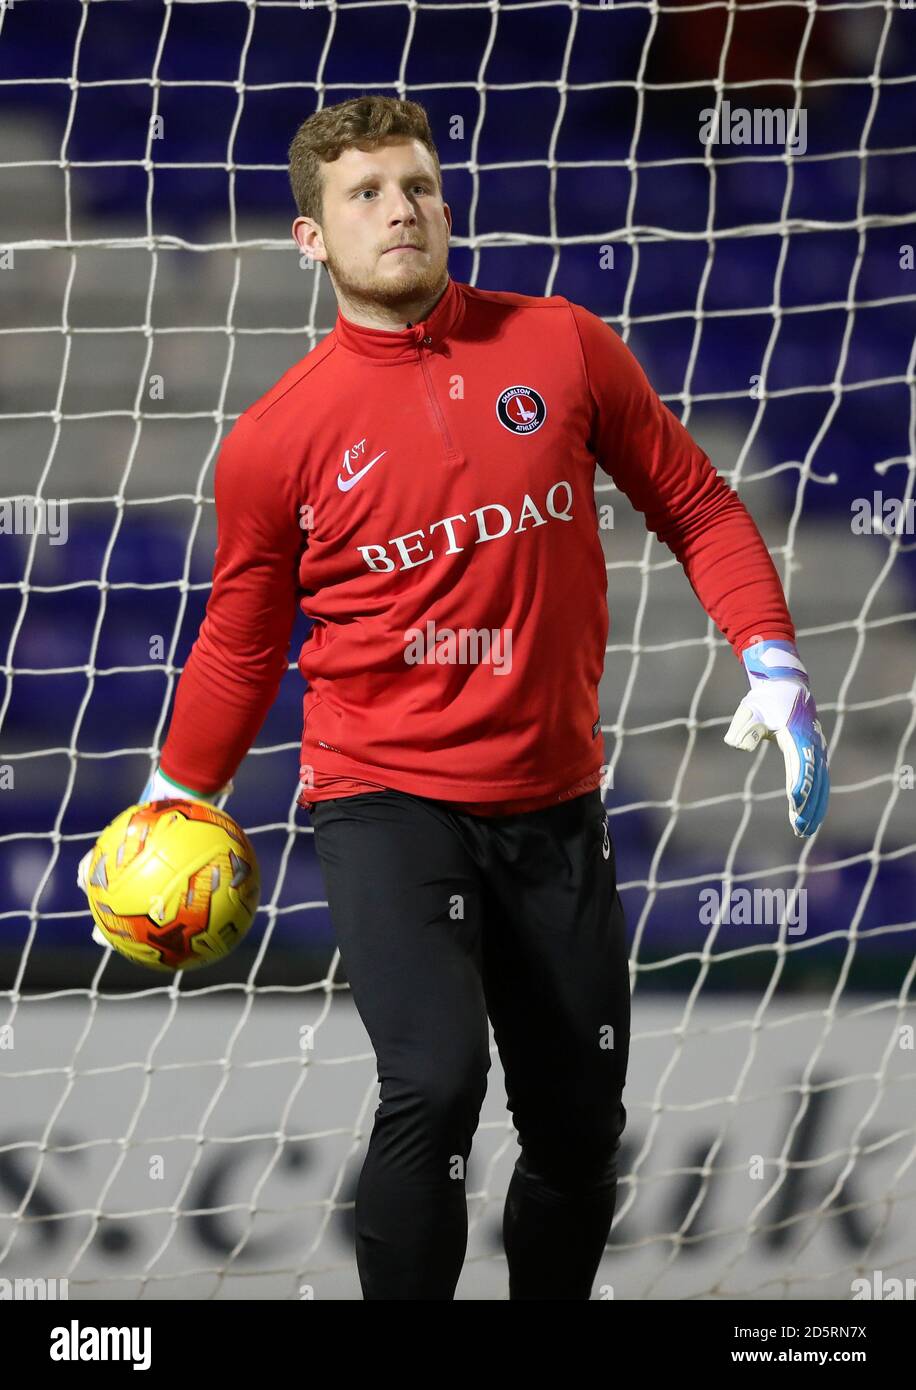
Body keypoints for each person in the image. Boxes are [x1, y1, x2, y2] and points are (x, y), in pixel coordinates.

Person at [79, 94, 829, 1300]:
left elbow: (694, 502)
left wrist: (772, 655)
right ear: (310, 237)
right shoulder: (276, 439)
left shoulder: (564, 344)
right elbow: (240, 637)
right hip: (384, 798)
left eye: (419, 185)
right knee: (434, 1082)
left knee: (580, 1132)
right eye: (366, 194)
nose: (402, 210)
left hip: (553, 798)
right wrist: (169, 797)